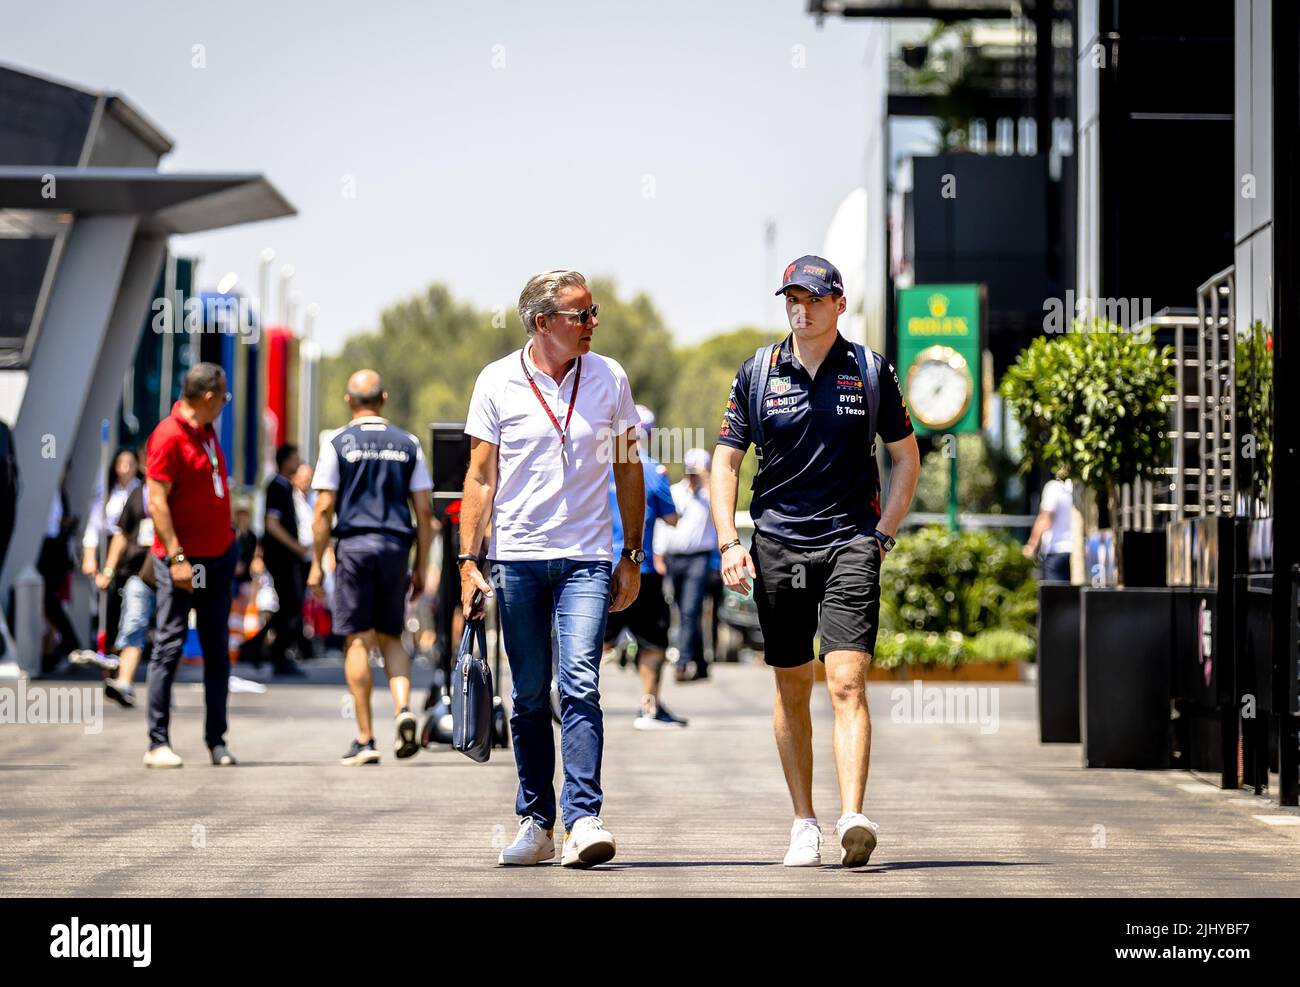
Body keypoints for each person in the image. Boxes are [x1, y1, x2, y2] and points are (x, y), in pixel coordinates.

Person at [711, 255, 921, 867]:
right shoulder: (757, 371)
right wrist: (729, 542)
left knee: (847, 680)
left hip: (852, 541)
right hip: (777, 542)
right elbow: (727, 462)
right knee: (792, 682)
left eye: (811, 298)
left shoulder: (871, 371)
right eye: (790, 298)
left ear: (839, 304)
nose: (799, 308)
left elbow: (905, 457)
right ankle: (803, 821)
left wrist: (883, 532)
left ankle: (852, 815)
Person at [459, 269, 643, 868]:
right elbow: (481, 478)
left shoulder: (610, 378)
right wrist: (468, 561)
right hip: (516, 560)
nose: (593, 324)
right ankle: (536, 823)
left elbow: (627, 469)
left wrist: (632, 554)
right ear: (543, 323)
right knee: (531, 694)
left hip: (587, 559)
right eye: (581, 315)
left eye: (595, 314)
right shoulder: (496, 381)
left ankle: (584, 819)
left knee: (581, 683)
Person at [309, 370, 434, 766]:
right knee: (392, 636)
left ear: (349, 401)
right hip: (396, 548)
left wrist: (315, 563)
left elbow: (324, 508)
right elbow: (425, 511)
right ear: (384, 398)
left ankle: (365, 739)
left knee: (359, 640)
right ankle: (403, 711)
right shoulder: (408, 443)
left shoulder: (337, 444)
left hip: (355, 548)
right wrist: (421, 565)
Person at [143, 362, 239, 768]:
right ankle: (157, 742)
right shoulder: (168, 437)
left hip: (218, 558)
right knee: (169, 645)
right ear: (206, 397)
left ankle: (217, 741)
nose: (224, 405)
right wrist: (178, 556)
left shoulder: (206, 431)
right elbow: (157, 501)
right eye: (222, 398)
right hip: (184, 562)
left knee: (218, 651)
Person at [604, 405, 681, 730]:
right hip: (639, 569)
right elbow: (672, 518)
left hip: (598, 568)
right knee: (652, 643)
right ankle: (649, 705)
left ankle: (571, 703)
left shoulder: (597, 465)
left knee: (594, 641)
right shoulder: (651, 470)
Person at [92, 475, 156, 708]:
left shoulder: (179, 491)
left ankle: (164, 689)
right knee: (133, 624)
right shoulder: (138, 495)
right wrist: (108, 569)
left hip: (173, 573)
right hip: (138, 573)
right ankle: (125, 682)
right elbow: (122, 534)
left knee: (169, 634)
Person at [659, 447, 718, 683]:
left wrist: (706, 479)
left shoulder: (708, 495)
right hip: (675, 558)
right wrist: (658, 554)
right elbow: (663, 524)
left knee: (690, 609)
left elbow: (720, 506)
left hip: (698, 559)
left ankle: (682, 663)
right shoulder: (674, 492)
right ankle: (701, 662)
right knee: (683, 612)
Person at [79, 448, 144, 655]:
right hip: (111, 555)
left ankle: (125, 649)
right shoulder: (107, 494)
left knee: (133, 604)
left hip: (135, 557)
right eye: (121, 463)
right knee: (109, 603)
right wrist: (90, 557)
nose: (125, 468)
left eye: (130, 463)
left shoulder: (142, 492)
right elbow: (94, 527)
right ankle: (108, 650)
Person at [260, 444, 310, 676]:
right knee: (290, 603)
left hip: (287, 556)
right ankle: (277, 654)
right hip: (281, 556)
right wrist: (295, 546)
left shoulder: (286, 488)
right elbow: (272, 524)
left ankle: (265, 648)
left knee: (291, 604)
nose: (298, 462)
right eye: (295, 458)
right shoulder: (277, 487)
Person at [1024, 475, 1074, 582]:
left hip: (1056, 550)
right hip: (1075, 551)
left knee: (1054, 596)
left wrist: (1032, 545)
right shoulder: (1075, 487)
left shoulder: (1053, 488)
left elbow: (1045, 519)